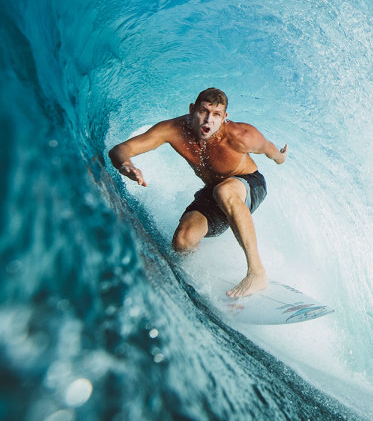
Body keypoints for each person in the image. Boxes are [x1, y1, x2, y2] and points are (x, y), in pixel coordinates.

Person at [107, 87, 287, 297]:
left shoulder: (242, 136)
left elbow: (270, 149)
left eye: (216, 115)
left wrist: (280, 157)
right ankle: (198, 273)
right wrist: (125, 164)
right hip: (214, 193)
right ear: (192, 109)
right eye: (204, 111)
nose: (208, 120)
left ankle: (256, 273)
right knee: (183, 240)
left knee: (224, 191)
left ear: (224, 118)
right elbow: (119, 150)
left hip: (249, 185)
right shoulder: (173, 129)